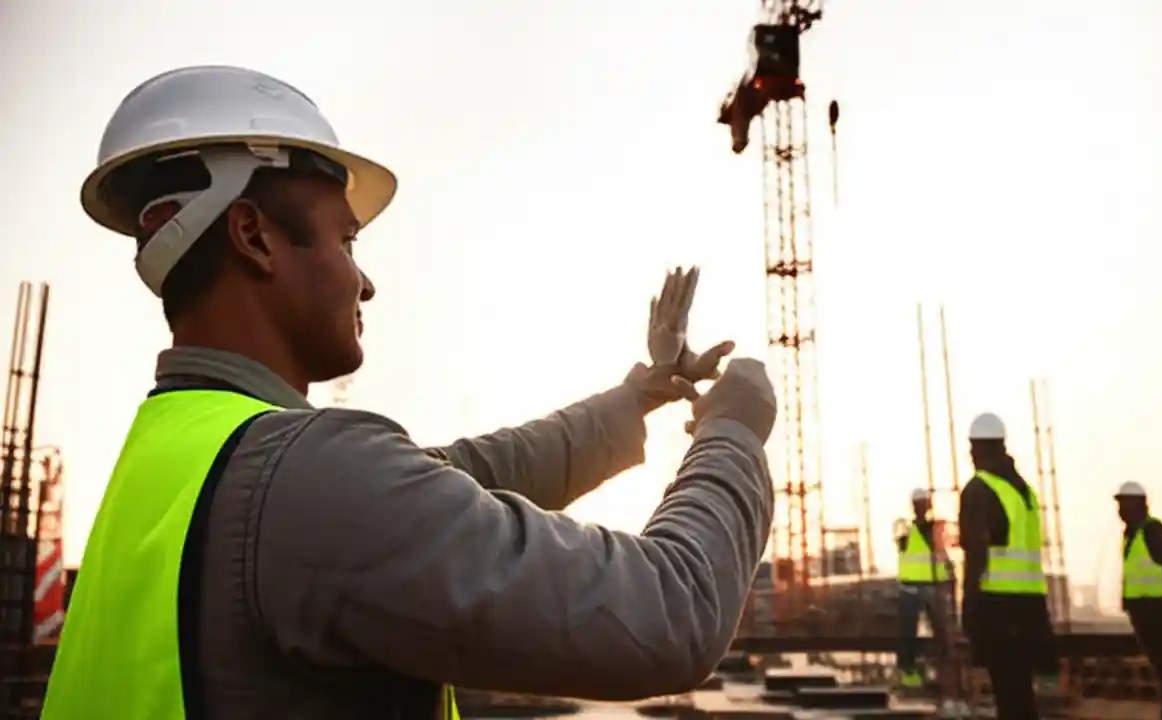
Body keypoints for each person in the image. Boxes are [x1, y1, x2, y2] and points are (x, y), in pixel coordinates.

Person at [42, 65, 779, 719]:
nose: (365, 281)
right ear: (253, 235)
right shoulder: (306, 481)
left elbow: (462, 475)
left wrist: (640, 395)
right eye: (346, 240)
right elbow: (669, 614)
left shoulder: (181, 457)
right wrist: (735, 429)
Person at [958, 412, 1056, 719]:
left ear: (981, 447)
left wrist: (969, 606)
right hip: (1030, 606)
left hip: (998, 606)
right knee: (1021, 695)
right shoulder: (1023, 491)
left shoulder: (980, 489)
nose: (972, 454)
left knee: (1009, 692)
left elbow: (977, 554)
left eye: (974, 447)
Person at [1115, 481, 1162, 720]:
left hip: (1156, 607)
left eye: (1124, 503)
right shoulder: (1133, 534)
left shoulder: (1152, 530)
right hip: (1143, 608)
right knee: (1161, 664)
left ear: (1138, 504)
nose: (1120, 510)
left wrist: (1159, 598)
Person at [895, 488, 951, 688]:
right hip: (912, 587)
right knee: (908, 632)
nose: (922, 506)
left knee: (941, 633)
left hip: (932, 586)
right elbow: (901, 542)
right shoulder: (905, 528)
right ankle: (908, 672)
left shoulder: (935, 529)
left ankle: (942, 673)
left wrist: (948, 578)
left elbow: (942, 553)